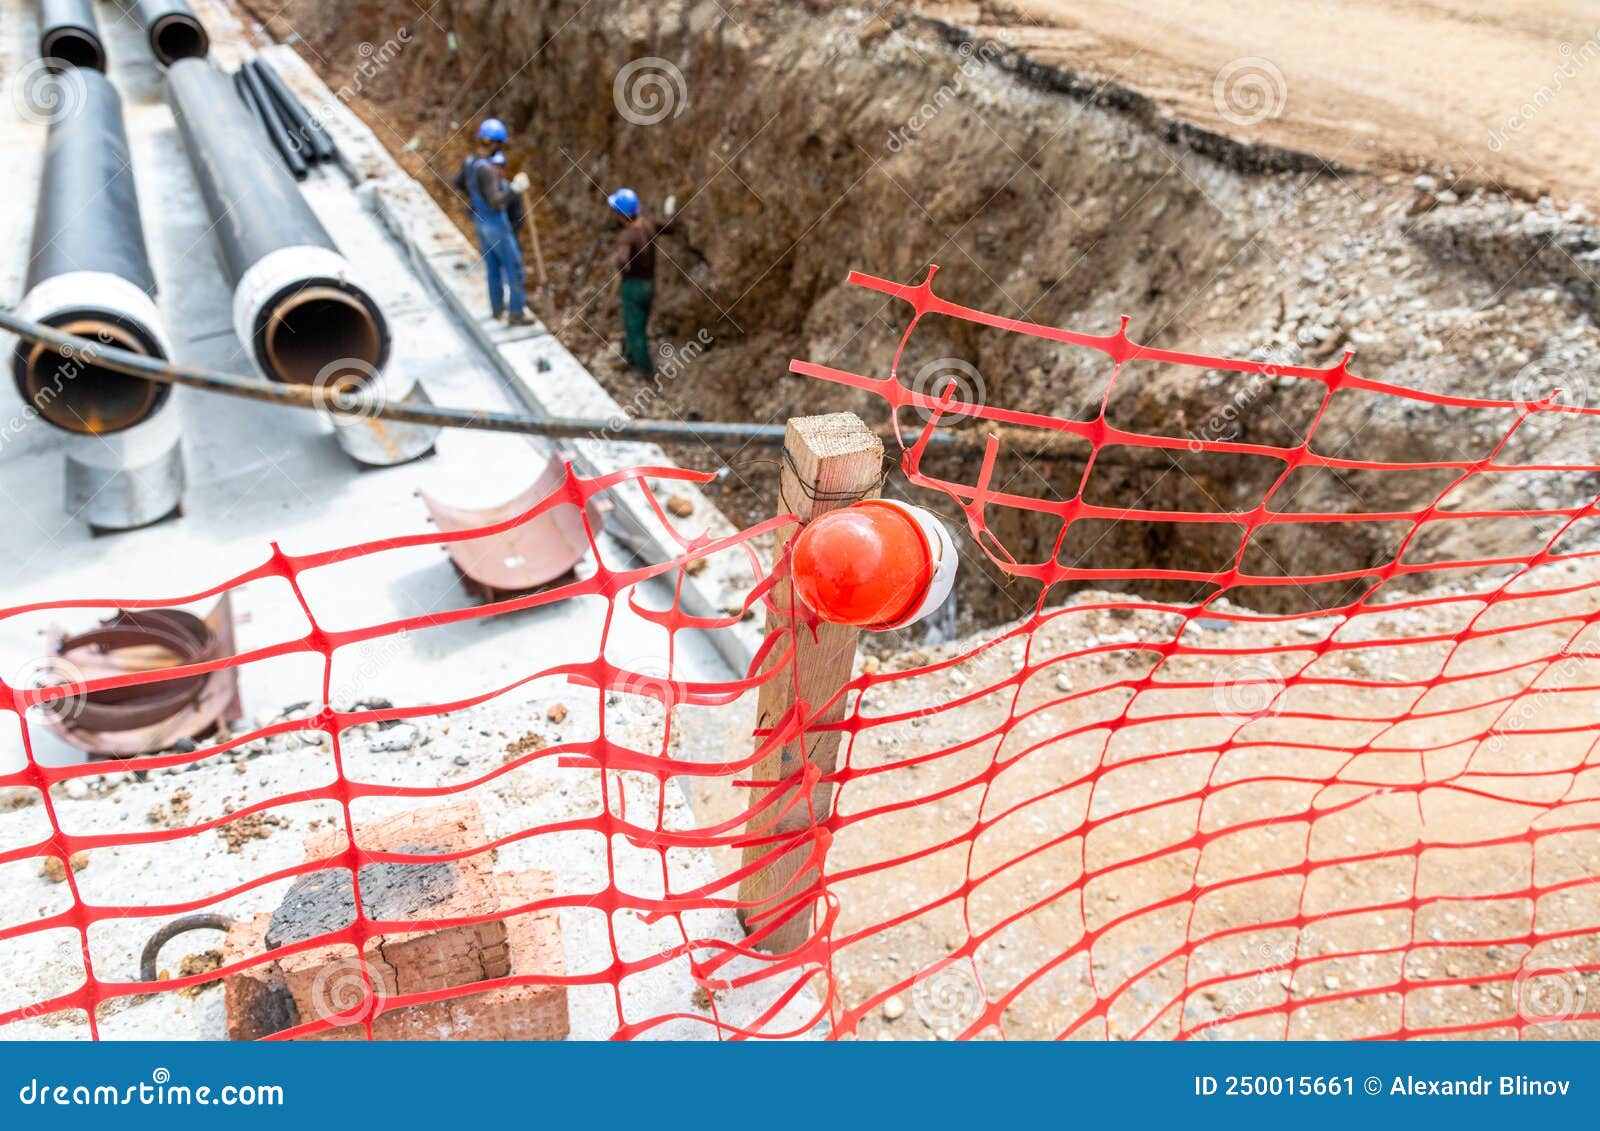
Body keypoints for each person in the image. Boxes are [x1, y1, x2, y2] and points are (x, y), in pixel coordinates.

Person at [452, 119, 531, 324]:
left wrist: (474, 198)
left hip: (481, 223)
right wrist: (514, 189)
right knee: (514, 268)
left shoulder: (470, 162)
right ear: (497, 143)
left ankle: (497, 308)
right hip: (496, 224)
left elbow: (457, 182)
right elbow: (496, 202)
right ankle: (516, 313)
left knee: (493, 267)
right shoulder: (487, 169)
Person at [608, 187, 662, 376]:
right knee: (638, 323)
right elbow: (668, 227)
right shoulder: (648, 225)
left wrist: (618, 264)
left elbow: (622, 260)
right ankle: (629, 357)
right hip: (650, 283)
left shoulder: (627, 236)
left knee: (634, 329)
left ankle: (646, 370)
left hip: (633, 287)